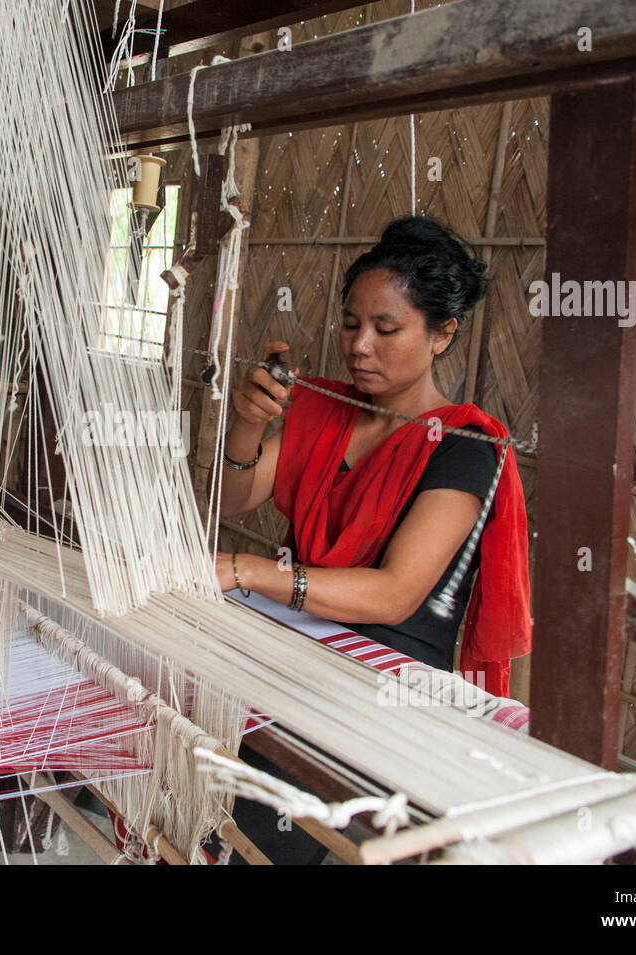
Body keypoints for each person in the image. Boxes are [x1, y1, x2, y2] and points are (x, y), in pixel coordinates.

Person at [215, 215, 532, 696]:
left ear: (441, 334)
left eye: (386, 330)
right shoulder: (327, 413)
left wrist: (248, 571)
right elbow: (232, 500)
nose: (360, 346)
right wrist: (250, 420)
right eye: (350, 324)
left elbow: (394, 595)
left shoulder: (464, 449)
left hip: (389, 686)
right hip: (296, 650)